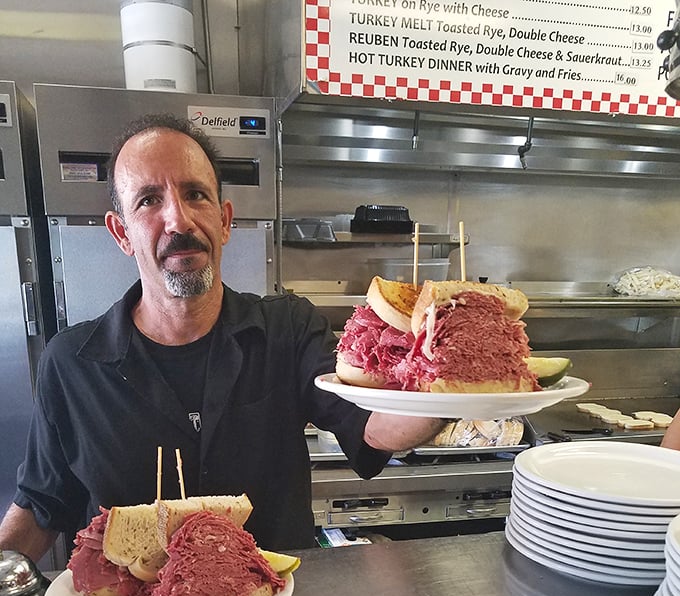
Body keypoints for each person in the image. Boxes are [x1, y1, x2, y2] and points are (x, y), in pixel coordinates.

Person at [0, 113, 443, 561]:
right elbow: (41, 508)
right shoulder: (71, 364)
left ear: (225, 220)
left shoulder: (287, 330)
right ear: (121, 234)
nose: (178, 220)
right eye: (150, 200)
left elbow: (372, 426)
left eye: (195, 194)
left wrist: (444, 380)